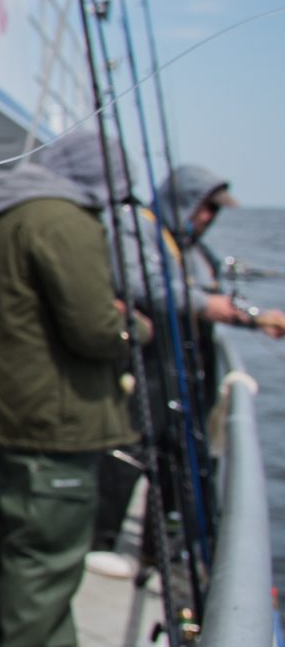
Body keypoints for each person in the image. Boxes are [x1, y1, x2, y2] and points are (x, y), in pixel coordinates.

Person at [0, 128, 144, 647]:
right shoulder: (64, 221)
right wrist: (135, 327)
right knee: (43, 564)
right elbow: (95, 329)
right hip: (48, 428)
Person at [85, 163, 285, 580]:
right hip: (147, 362)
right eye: (206, 206)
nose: (209, 217)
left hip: (182, 367)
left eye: (216, 210)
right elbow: (148, 287)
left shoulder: (185, 244)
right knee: (133, 447)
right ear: (186, 199)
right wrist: (230, 314)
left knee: (178, 452)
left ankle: (164, 549)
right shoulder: (137, 228)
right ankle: (101, 539)